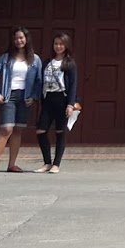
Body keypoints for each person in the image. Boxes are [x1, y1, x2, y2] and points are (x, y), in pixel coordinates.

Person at [0, 26, 41, 173]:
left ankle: (12, 164)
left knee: (18, 130)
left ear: (27, 39)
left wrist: (34, 97)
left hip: (25, 97)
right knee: (6, 128)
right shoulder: (6, 58)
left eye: (21, 38)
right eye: (16, 38)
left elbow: (39, 81)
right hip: (9, 95)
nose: (19, 41)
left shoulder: (35, 60)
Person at [35, 32, 79, 173]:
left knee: (60, 132)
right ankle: (47, 162)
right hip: (48, 99)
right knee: (41, 130)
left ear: (66, 46)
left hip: (62, 99)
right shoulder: (46, 62)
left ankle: (56, 164)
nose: (58, 46)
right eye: (56, 44)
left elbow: (73, 85)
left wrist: (70, 104)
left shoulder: (69, 63)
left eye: (61, 44)